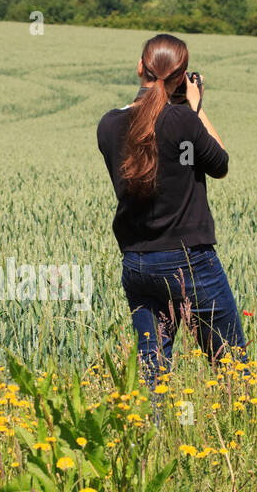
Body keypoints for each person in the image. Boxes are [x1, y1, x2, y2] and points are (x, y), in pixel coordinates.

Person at [96, 32, 245, 388]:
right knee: (231, 364)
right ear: (183, 77)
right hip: (189, 261)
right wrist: (195, 106)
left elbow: (150, 138)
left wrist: (181, 110)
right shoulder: (184, 120)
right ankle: (244, 429)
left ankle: (152, 435)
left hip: (137, 263)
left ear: (139, 68)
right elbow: (220, 164)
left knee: (153, 368)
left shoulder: (109, 124)